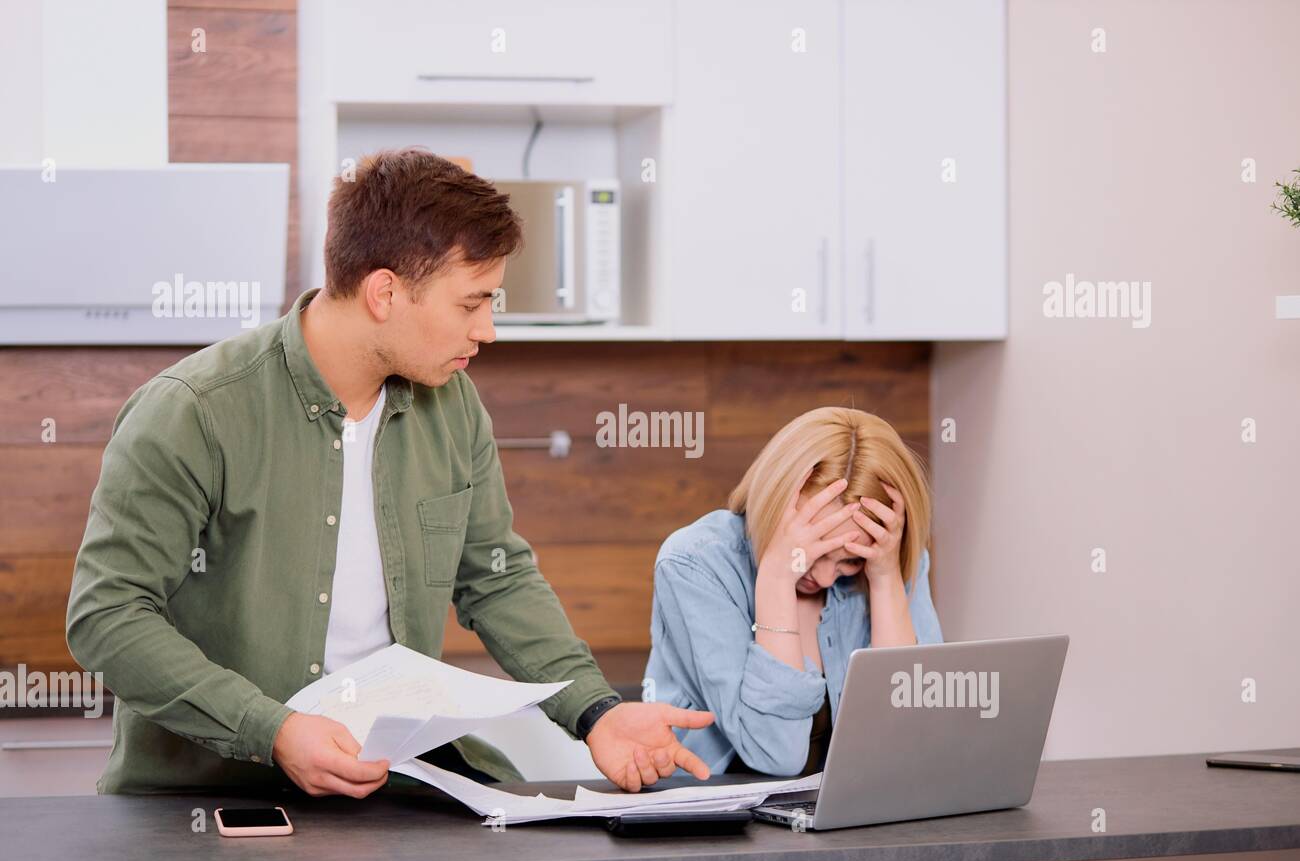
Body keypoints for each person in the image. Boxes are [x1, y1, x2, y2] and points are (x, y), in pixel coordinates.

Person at [66, 148, 713, 797]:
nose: (488, 329)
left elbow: (497, 578)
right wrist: (273, 729)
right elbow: (108, 613)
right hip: (215, 794)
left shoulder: (453, 406)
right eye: (472, 303)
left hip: (396, 783)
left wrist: (596, 710)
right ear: (385, 293)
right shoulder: (194, 412)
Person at [644, 406, 944, 778]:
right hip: (710, 819)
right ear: (772, 502)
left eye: (847, 562)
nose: (821, 577)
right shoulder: (695, 563)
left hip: (840, 818)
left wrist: (885, 579)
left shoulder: (882, 555)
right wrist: (776, 578)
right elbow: (778, 754)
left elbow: (906, 745)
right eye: (812, 552)